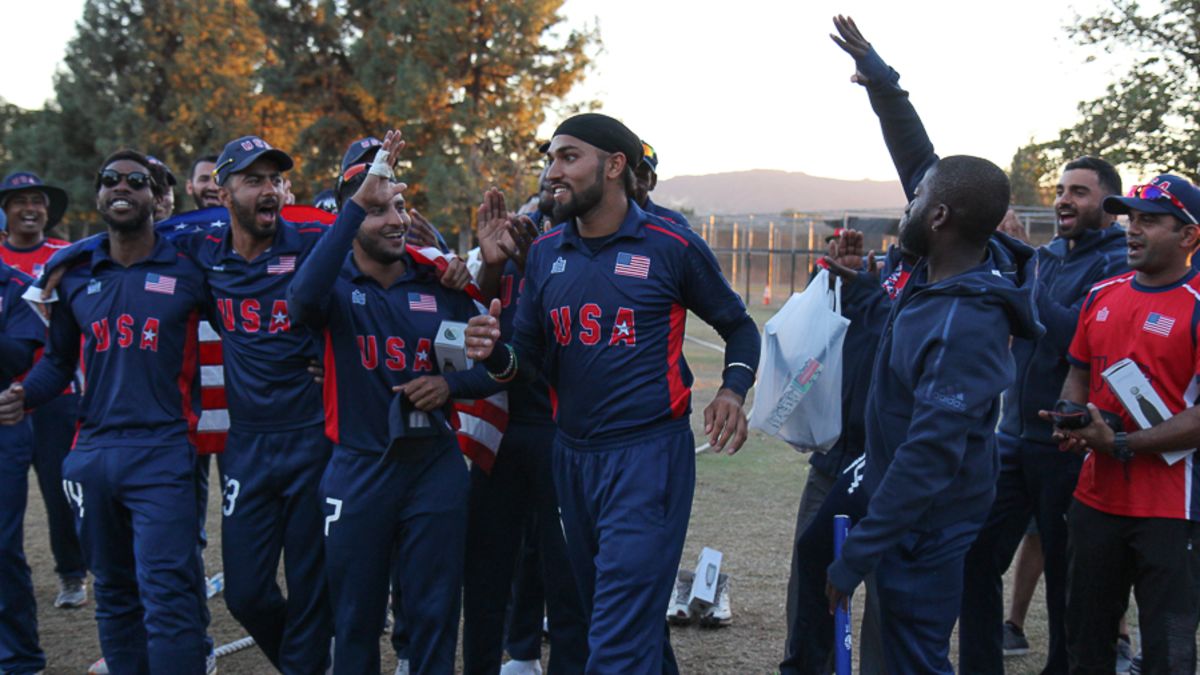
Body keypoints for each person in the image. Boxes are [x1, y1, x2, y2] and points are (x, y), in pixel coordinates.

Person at [464, 112, 760, 674]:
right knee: (619, 617)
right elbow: (525, 362)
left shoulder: (672, 244)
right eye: (551, 158)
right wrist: (494, 352)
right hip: (571, 457)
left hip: (647, 458)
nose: (553, 171)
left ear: (615, 166)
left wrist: (732, 389)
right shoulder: (548, 253)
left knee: (615, 643)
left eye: (568, 157)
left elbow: (739, 326)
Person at [289, 129, 496, 674]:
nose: (395, 219)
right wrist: (359, 202)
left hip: (433, 468)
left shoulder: (437, 287)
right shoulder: (332, 285)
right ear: (351, 215)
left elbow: (483, 370)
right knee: (354, 619)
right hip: (359, 467)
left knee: (433, 615)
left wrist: (450, 386)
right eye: (378, 208)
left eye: (400, 205)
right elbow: (299, 302)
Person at [0, 150, 211, 674]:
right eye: (110, 180)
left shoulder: (190, 267)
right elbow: (57, 361)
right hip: (93, 452)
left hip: (164, 450)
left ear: (157, 198)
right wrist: (25, 395)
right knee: (114, 592)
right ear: (98, 194)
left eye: (136, 181)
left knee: (168, 595)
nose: (122, 188)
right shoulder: (73, 273)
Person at [1044, 174, 1200, 673]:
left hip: (1174, 513)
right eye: (1131, 218)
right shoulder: (1102, 294)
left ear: (1189, 236)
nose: (1132, 229)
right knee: (1085, 644)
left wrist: (1122, 442)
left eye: (1149, 221)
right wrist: (1070, 421)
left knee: (1168, 654)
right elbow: (1078, 371)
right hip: (1096, 501)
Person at [463, 185, 587, 675]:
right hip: (502, 431)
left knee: (566, 576)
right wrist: (492, 266)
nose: (543, 200)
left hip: (559, 432)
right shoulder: (504, 253)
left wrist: (539, 260)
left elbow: (558, 351)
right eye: (541, 188)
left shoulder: (577, 254)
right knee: (487, 571)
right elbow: (470, 324)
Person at [0, 171, 87, 611]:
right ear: (5, 211)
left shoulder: (66, 254)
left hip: (56, 391)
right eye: (19, 201)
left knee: (58, 489)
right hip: (4, 396)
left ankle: (71, 574)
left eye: (37, 200)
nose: (30, 208)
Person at [0, 258, 49, 675]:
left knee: (0, 546)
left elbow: (17, 353)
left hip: (4, 426)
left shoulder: (15, 286)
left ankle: (19, 657)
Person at [633, 141, 689, 227]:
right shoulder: (605, 220)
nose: (633, 183)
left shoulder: (673, 224)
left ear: (653, 181)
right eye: (627, 175)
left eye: (640, 176)